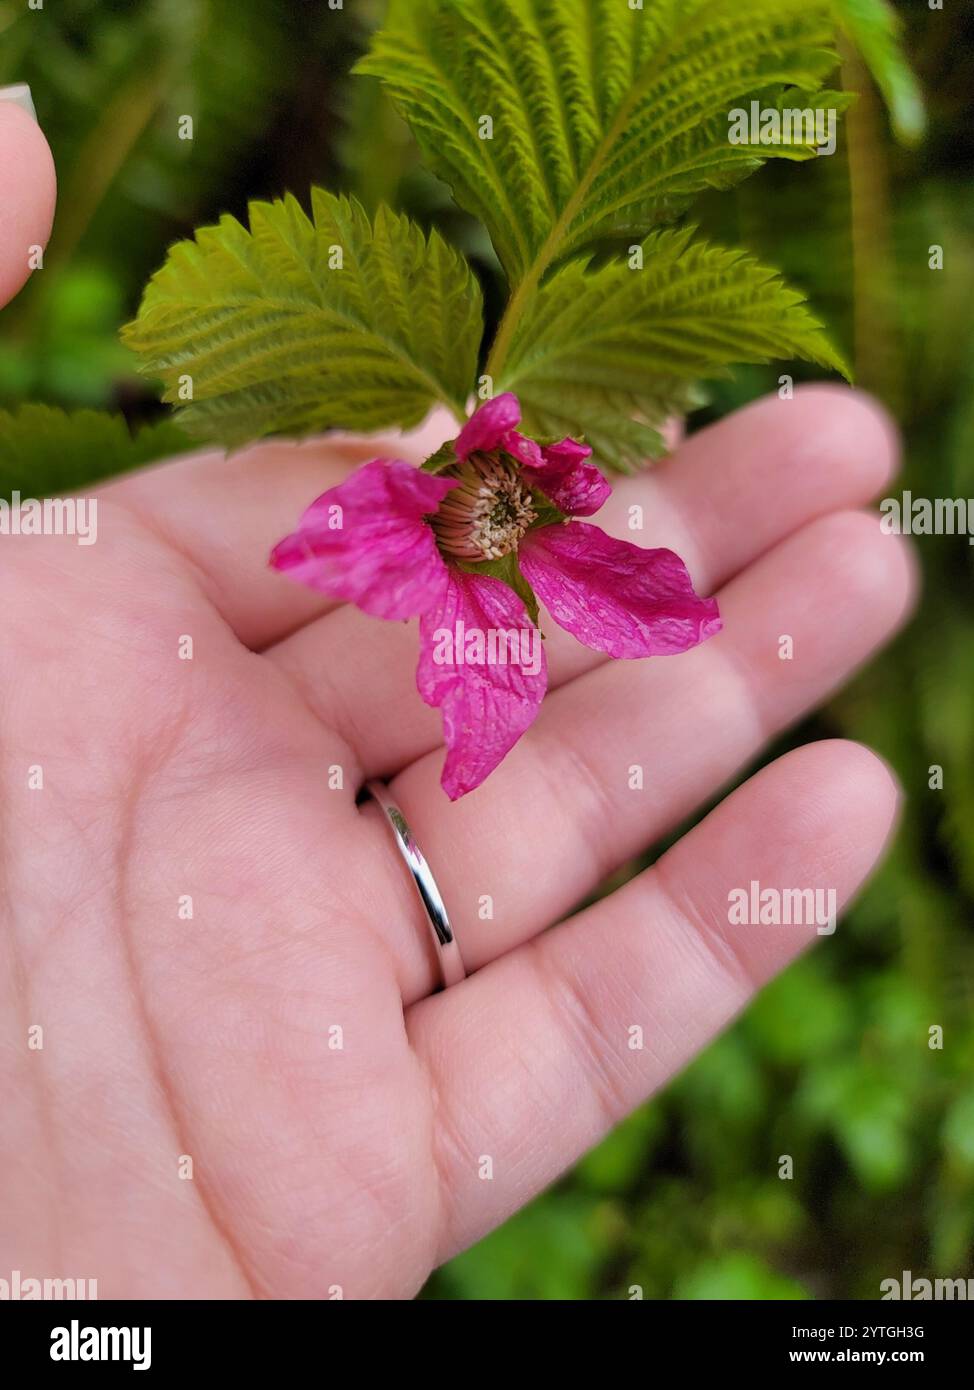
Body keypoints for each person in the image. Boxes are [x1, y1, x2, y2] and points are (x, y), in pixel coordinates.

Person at [0, 91, 914, 1299]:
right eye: (485, 497)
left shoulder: (529, 544)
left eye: (515, 503)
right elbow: (344, 546)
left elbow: (648, 608)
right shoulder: (409, 514)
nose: (493, 518)